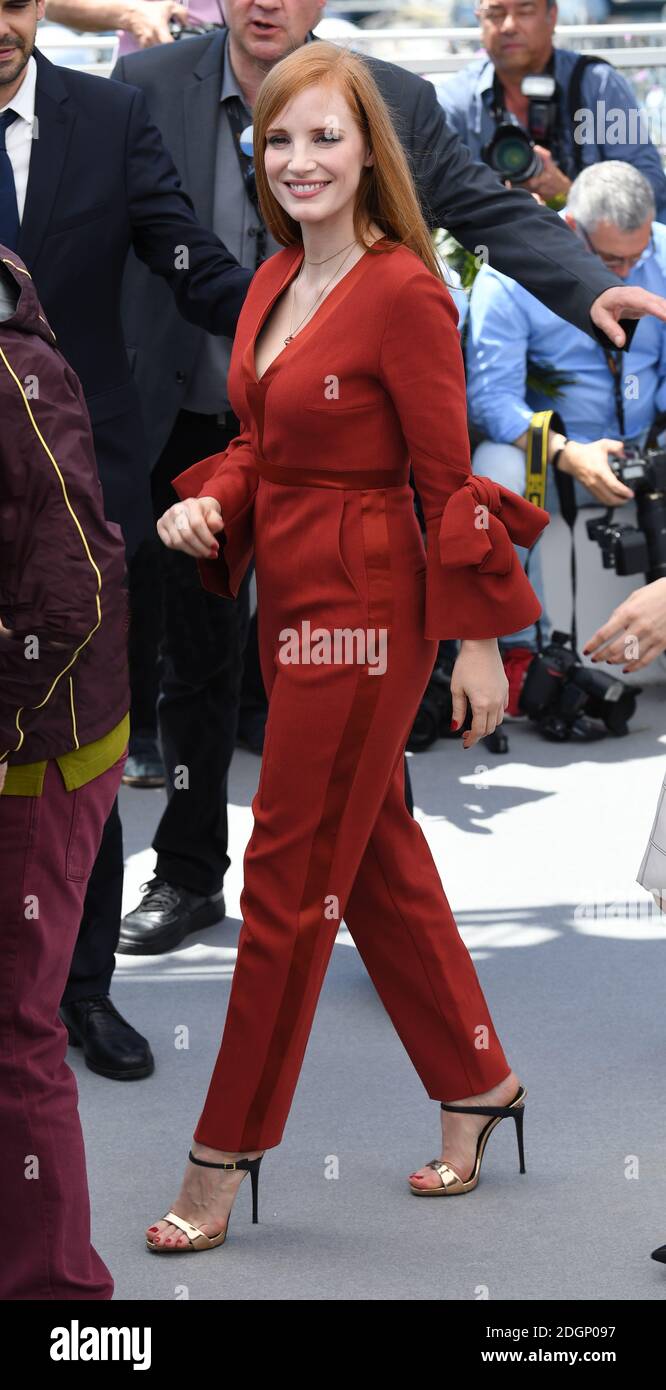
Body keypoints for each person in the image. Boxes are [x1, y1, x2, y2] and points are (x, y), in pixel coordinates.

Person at [111, 0, 666, 963]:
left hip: (351, 454)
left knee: (368, 679)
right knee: (192, 670)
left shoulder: (392, 98)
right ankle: (191, 873)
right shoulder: (146, 86)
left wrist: (585, 284)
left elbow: (483, 209)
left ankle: (381, 906)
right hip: (194, 421)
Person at [144, 38, 551, 1253]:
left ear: (369, 150)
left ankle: (227, 1148)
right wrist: (204, 494)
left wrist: (475, 641)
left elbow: (447, 481)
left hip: (371, 624)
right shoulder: (271, 281)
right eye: (279, 138)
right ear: (258, 155)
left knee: (281, 875)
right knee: (371, 856)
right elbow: (267, 450)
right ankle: (480, 1078)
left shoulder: (408, 291)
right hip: (288, 605)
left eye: (326, 135)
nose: (301, 158)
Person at [0, 0, 256, 1081]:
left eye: (13, 1)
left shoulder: (106, 117)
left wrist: (297, 319)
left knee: (81, 744)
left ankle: (80, 992)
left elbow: (186, 257)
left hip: (72, 496)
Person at [0, 247, 129, 1299]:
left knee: (14, 1027)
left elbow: (76, 587)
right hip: (40, 730)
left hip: (35, 749)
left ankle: (58, 1301)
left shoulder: (12, 368)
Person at [465, 161, 666, 715]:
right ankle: (519, 652)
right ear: (570, 227)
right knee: (493, 473)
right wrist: (567, 453)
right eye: (610, 263)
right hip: (556, 454)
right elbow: (491, 401)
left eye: (637, 258)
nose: (627, 274)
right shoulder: (510, 272)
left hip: (650, 441)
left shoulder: (665, 254)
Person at [436, 0, 666, 217]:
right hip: (492, 250)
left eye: (525, 11)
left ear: (552, 16)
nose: (509, 26)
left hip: (593, 251)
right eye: (495, 14)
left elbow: (651, 187)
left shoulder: (599, 85)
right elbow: (434, 196)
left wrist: (571, 194)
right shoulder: (456, 100)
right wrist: (500, 210)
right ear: (480, 19)